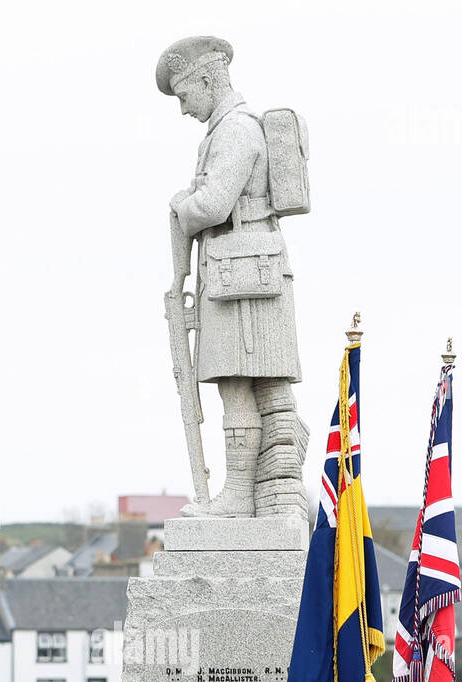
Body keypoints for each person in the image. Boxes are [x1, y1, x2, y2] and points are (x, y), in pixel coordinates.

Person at [157, 36, 308, 518]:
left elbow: (214, 204)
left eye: (184, 95)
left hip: (243, 280)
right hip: (240, 273)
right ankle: (270, 492)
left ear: (205, 79)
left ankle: (248, 493)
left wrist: (183, 203)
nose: (183, 109)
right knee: (253, 387)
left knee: (243, 386)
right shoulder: (226, 130)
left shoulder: (236, 130)